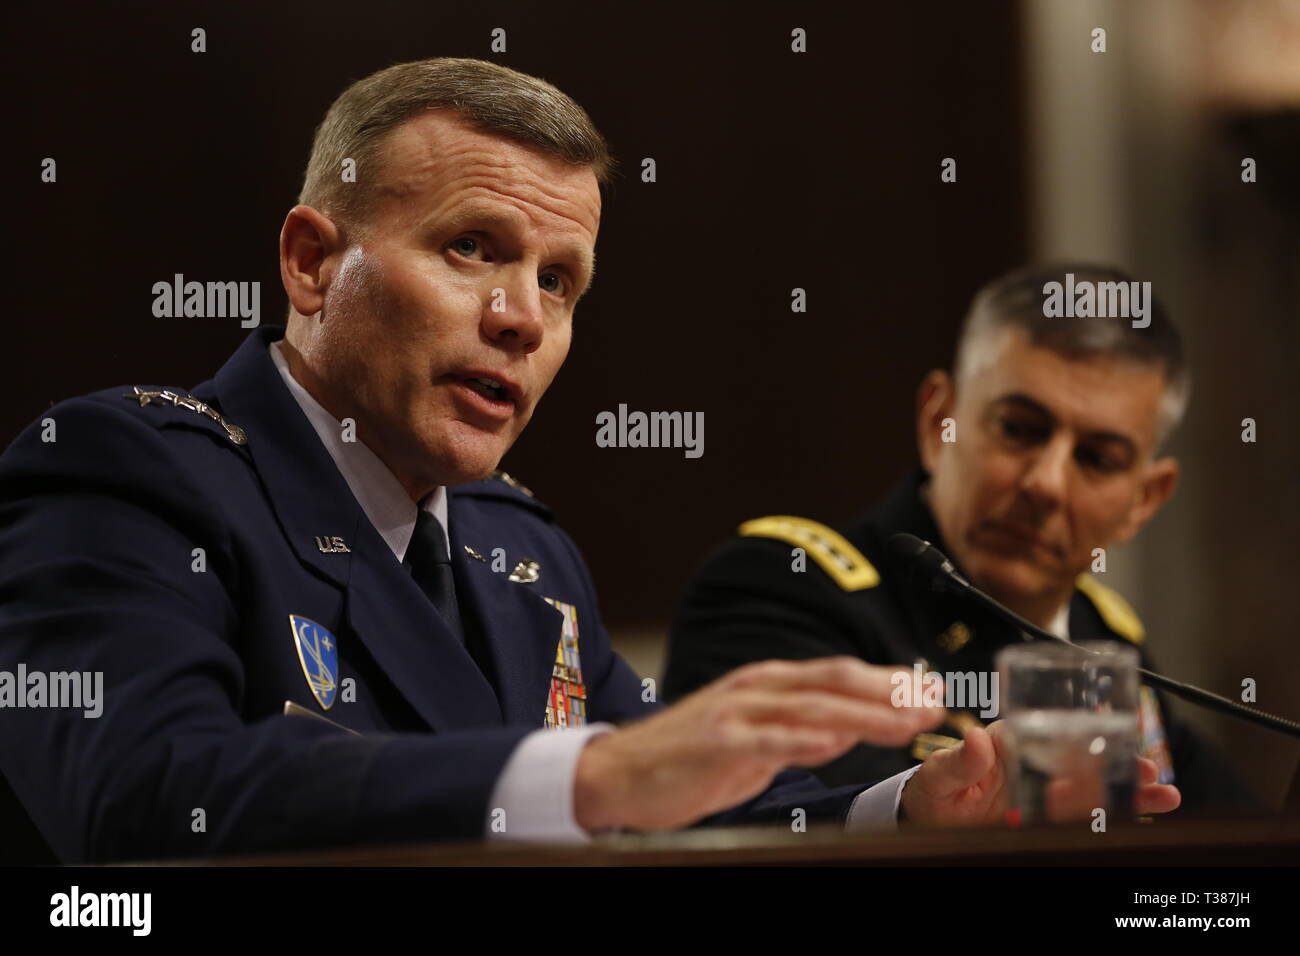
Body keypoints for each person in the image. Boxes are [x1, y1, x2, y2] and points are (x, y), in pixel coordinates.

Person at [0, 64, 1178, 863]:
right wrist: (595, 780)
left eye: (560, 282)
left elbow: (687, 786)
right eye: (472, 248)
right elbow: (139, 790)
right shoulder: (131, 474)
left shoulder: (522, 549)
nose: (521, 317)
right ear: (312, 264)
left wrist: (905, 805)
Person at [665, 263, 1259, 815]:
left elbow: (1242, 845)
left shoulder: (1104, 637)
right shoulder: (780, 589)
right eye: (1018, 430)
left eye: (1097, 459)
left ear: (1144, 500)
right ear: (936, 422)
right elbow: (779, 831)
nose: (1046, 484)